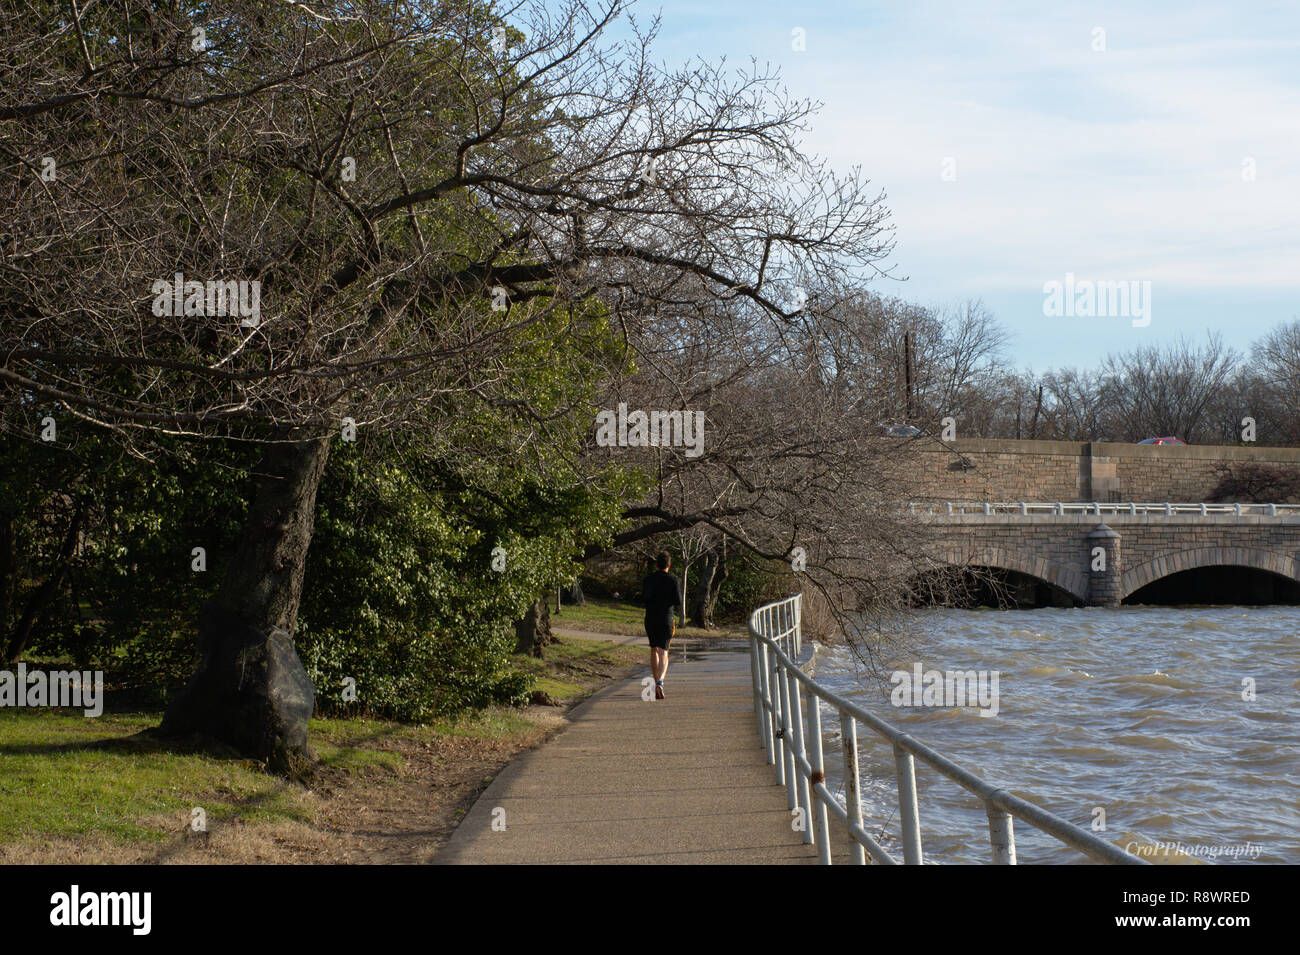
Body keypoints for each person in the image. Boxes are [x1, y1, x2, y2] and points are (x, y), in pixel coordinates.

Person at [641, 551, 682, 699]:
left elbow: (644, 598)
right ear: (669, 565)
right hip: (666, 618)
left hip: (651, 618)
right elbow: (677, 601)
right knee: (664, 651)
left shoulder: (648, 580)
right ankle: (660, 681)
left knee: (653, 649)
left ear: (657, 564)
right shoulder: (673, 580)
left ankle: (655, 680)